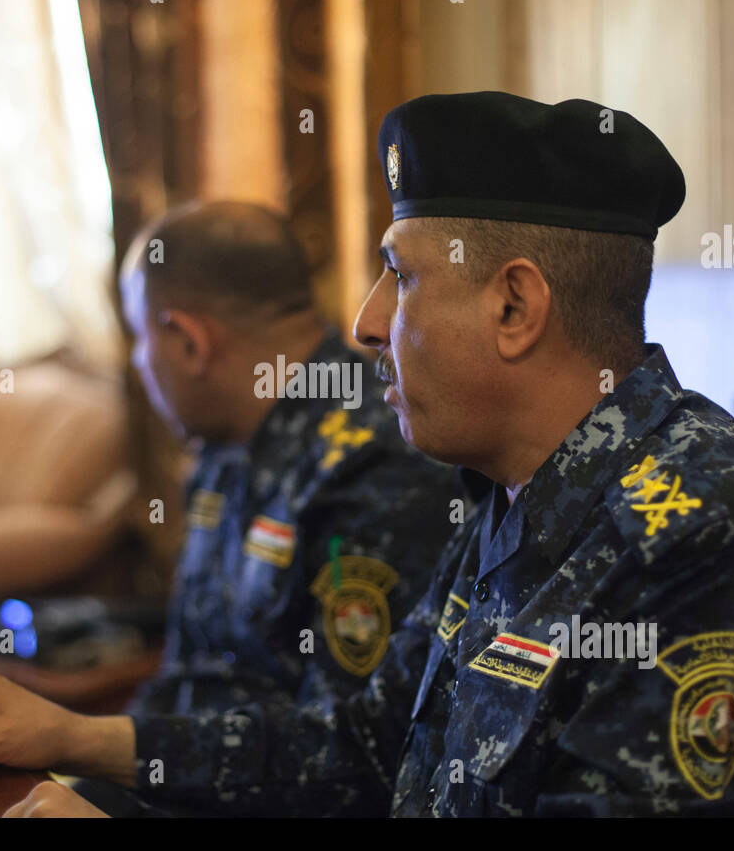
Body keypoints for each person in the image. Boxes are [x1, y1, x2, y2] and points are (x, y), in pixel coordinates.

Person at [0, 94, 734, 817]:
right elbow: (360, 745)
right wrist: (74, 734)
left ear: (514, 306)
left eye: (400, 274)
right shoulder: (518, 491)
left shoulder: (700, 531)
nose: (365, 323)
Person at [86, 201, 460, 815]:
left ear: (187, 341)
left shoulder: (375, 465)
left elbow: (346, 762)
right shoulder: (225, 442)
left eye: (139, 336)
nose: (137, 364)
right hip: (156, 779)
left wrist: (80, 743)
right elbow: (194, 669)